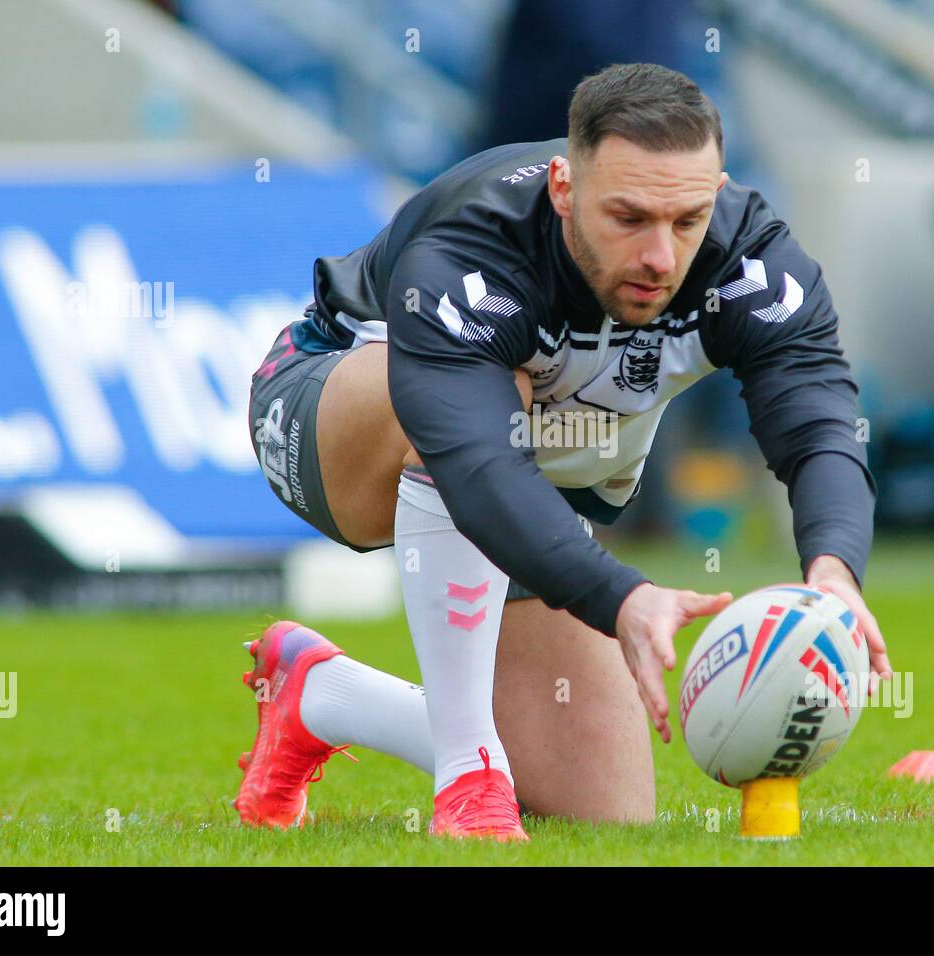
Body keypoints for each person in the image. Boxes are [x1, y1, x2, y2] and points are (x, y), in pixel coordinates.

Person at [237, 63, 891, 840]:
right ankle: (468, 773)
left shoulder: (749, 259)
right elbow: (473, 461)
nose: (659, 254)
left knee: (601, 807)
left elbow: (818, 421)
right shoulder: (476, 242)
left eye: (686, 221)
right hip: (331, 409)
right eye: (629, 217)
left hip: (525, 471)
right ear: (562, 188)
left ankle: (319, 696)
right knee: (491, 401)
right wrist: (622, 595)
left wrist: (836, 573)